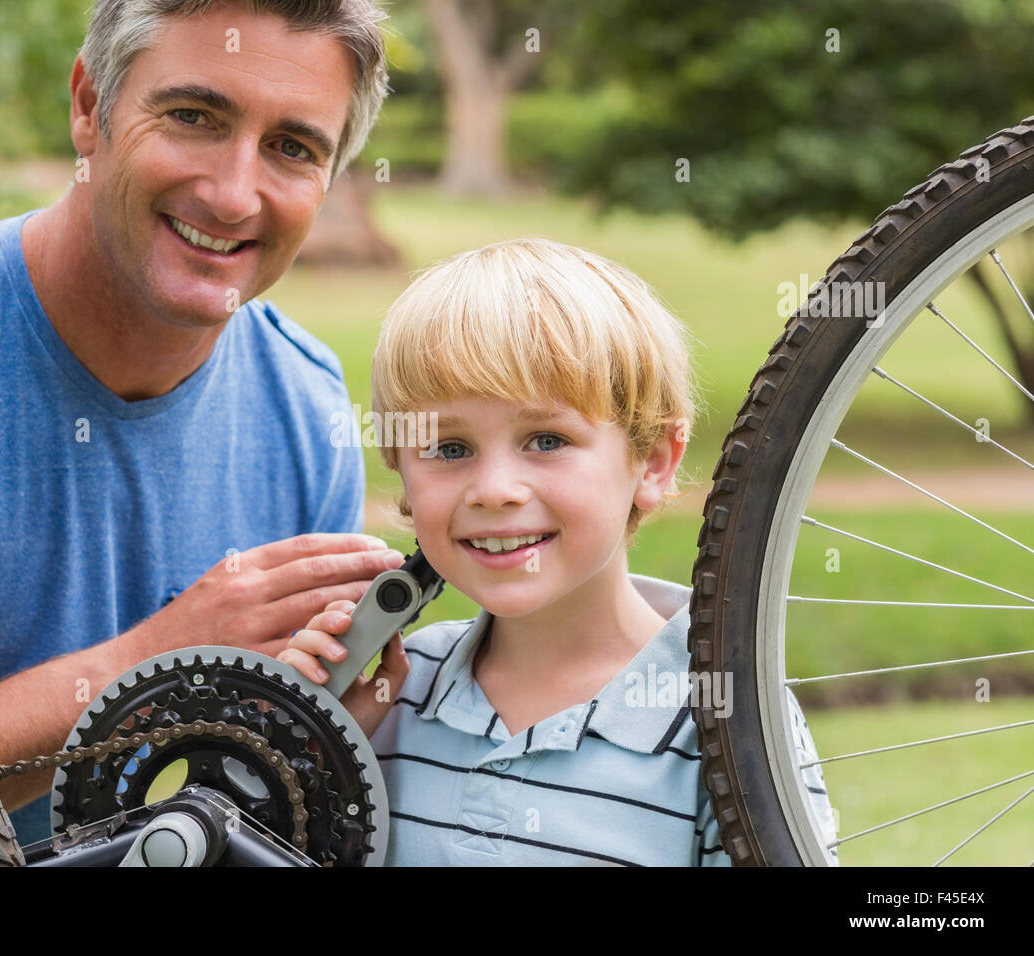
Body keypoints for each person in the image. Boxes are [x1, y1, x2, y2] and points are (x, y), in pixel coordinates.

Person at [0, 0, 403, 866]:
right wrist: (157, 666)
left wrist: (318, 730)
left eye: (293, 148)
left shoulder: (307, 406)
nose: (235, 193)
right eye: (194, 117)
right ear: (90, 107)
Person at [279, 237, 840, 865]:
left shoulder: (725, 720)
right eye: (450, 449)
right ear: (401, 470)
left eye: (546, 439)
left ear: (652, 462)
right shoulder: (386, 701)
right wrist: (307, 751)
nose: (493, 491)